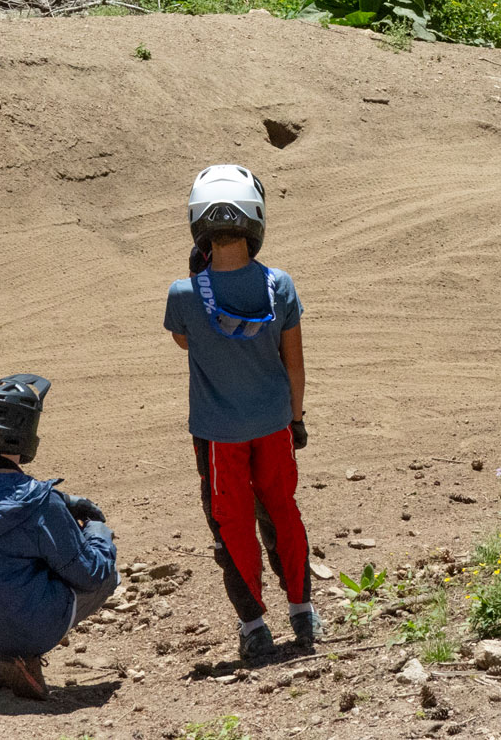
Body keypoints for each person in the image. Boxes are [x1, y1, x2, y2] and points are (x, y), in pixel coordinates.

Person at [166, 165, 319, 661]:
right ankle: (303, 613)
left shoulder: (185, 294)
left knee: (231, 523)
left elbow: (184, 340)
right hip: (274, 426)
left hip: (218, 436)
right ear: (256, 220)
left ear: (199, 224)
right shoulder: (280, 286)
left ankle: (253, 625)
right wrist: (295, 419)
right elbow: (294, 366)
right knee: (282, 512)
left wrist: (201, 277)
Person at [0, 374, 119, 701]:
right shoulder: (39, 503)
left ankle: (0, 662)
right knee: (105, 574)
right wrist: (96, 528)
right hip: (27, 625)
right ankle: (23, 656)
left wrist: (62, 501)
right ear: (25, 433)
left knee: (13, 560)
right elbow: (90, 573)